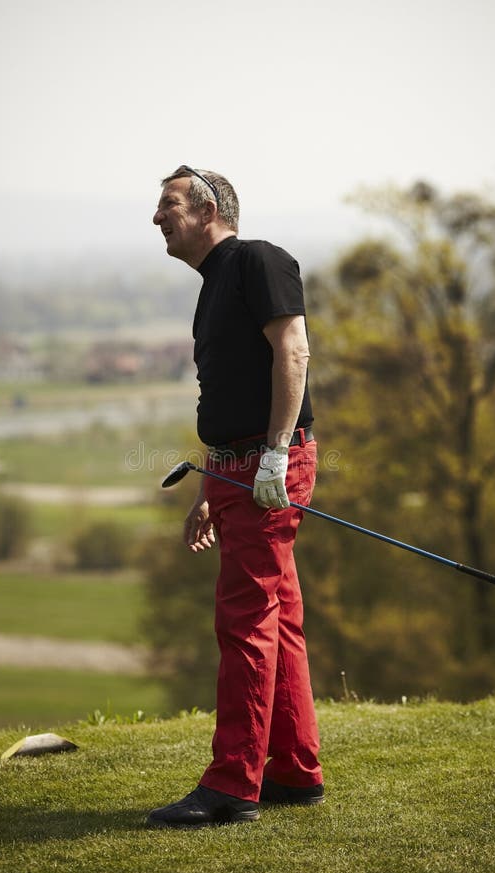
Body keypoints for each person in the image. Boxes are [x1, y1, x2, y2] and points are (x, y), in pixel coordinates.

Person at [147, 166, 323, 828]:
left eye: (168, 205)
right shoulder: (213, 283)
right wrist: (214, 483)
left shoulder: (256, 260)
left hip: (268, 464)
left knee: (244, 619)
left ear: (209, 208)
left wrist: (275, 452)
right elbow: (232, 391)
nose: (157, 218)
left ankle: (232, 785)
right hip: (239, 469)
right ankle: (294, 770)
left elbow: (294, 351)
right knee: (279, 617)